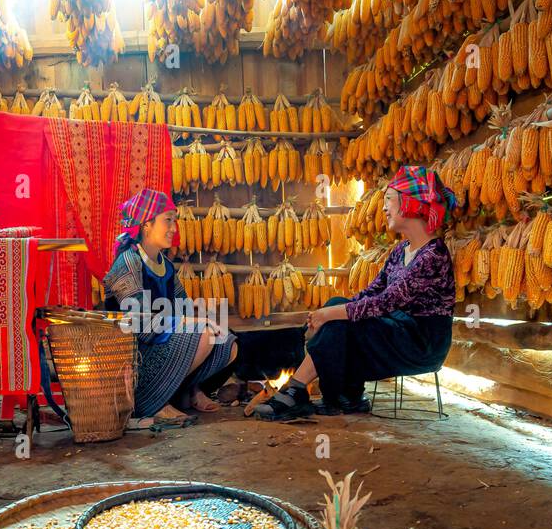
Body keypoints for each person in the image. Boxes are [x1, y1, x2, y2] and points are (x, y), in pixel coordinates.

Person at [256, 166, 457, 421]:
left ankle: (299, 390)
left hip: (421, 343)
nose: (384, 208)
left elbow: (386, 302)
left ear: (411, 203)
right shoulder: (401, 251)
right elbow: (371, 292)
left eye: (389, 200)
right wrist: (331, 311)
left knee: (339, 316)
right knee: (339, 308)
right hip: (396, 332)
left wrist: (330, 314)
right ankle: (344, 396)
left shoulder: (433, 256)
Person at [104, 189, 238, 429]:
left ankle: (187, 391)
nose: (174, 228)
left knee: (227, 344)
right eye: (168, 220)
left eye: (174, 221)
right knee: (205, 335)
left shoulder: (164, 264)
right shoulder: (127, 263)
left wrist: (198, 316)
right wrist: (189, 323)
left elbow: (181, 306)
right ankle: (151, 401)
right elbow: (138, 323)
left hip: (162, 338)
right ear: (147, 225)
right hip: (135, 353)